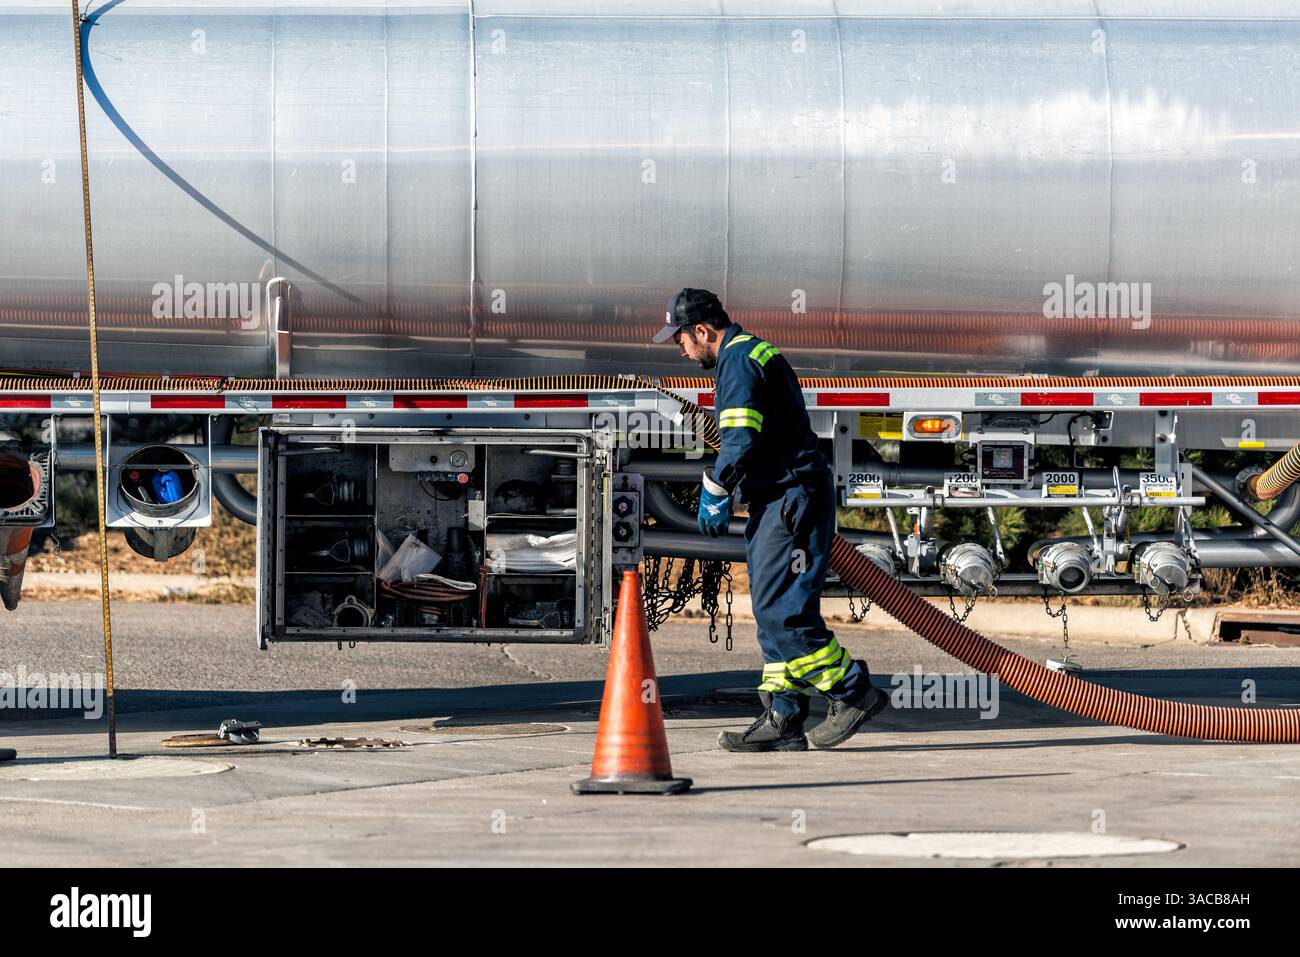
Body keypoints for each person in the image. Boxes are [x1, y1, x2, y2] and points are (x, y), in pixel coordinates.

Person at [652, 288, 887, 751]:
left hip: (790, 500)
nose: (679, 348)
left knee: (784, 613)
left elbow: (739, 439)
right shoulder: (743, 355)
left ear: (702, 330)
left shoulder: (739, 361)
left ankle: (853, 691)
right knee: (769, 611)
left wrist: (716, 489)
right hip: (777, 500)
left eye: (680, 338)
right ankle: (782, 716)